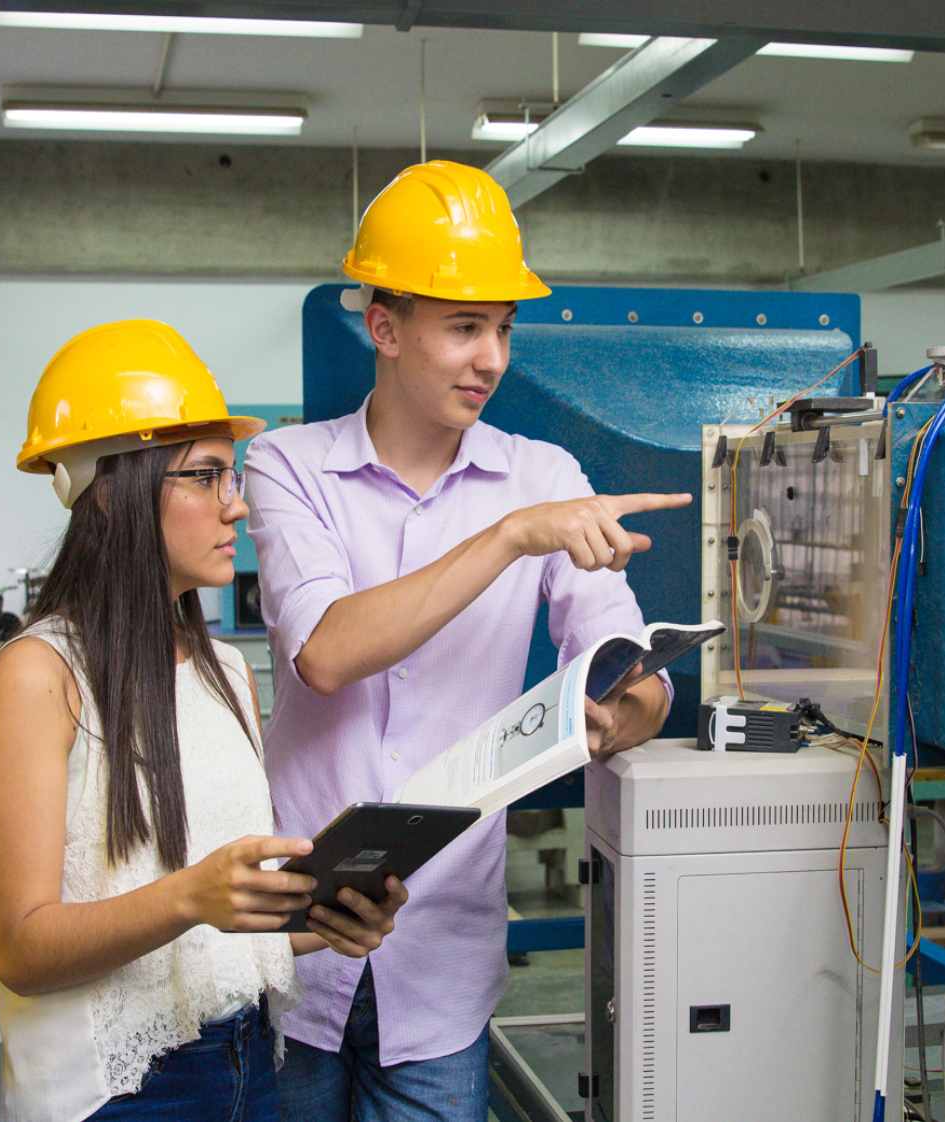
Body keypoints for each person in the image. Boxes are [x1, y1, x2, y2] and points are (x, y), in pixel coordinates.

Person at [244, 162, 689, 1122]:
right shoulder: (290, 466)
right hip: (296, 939)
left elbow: (617, 657)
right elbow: (325, 651)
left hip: (442, 955)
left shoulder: (546, 473)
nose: (490, 357)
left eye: (501, 327)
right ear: (386, 327)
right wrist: (511, 536)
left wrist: (629, 708)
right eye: (462, 326)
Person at [0, 319, 409, 1122]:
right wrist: (189, 898)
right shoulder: (38, 677)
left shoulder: (226, 672)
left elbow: (214, 930)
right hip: (116, 1094)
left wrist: (321, 921)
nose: (234, 506)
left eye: (229, 476)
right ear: (116, 490)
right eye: (205, 477)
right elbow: (22, 950)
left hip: (245, 1061)